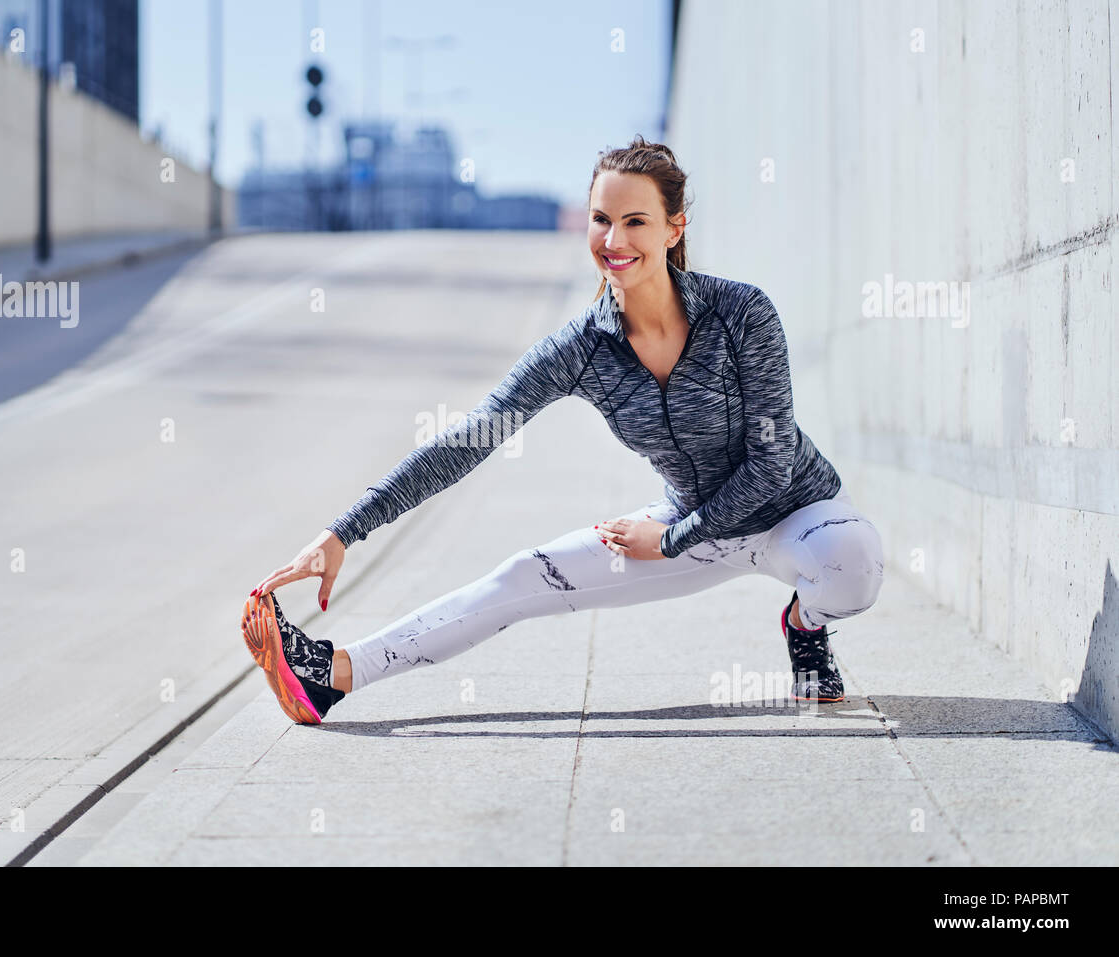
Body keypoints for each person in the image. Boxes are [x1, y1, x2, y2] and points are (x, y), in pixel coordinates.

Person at [243, 135, 885, 725]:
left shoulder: (742, 313)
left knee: (852, 563)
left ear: (674, 228)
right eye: (603, 219)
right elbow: (468, 441)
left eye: (637, 221)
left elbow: (771, 464)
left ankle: (805, 626)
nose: (615, 239)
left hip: (797, 515)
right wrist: (342, 532)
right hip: (687, 530)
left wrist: (670, 538)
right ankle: (331, 674)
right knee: (521, 578)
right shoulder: (579, 348)